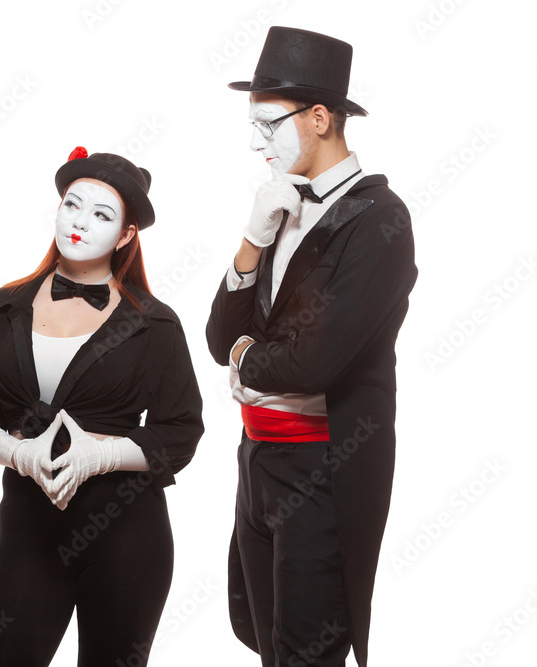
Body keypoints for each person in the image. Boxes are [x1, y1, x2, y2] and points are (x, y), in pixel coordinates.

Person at [205, 27, 417, 667]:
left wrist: (248, 359)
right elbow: (219, 337)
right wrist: (251, 237)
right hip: (257, 460)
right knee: (263, 639)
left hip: (324, 469)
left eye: (268, 125)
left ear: (320, 118)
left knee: (308, 655)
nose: (255, 142)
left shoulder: (381, 218)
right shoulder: (278, 204)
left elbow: (314, 361)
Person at [0, 147, 203, 666]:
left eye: (102, 215)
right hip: (27, 532)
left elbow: (181, 432)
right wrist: (18, 455)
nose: (81, 223)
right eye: (72, 204)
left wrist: (101, 455)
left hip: (128, 538)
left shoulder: (155, 324)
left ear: (127, 235)